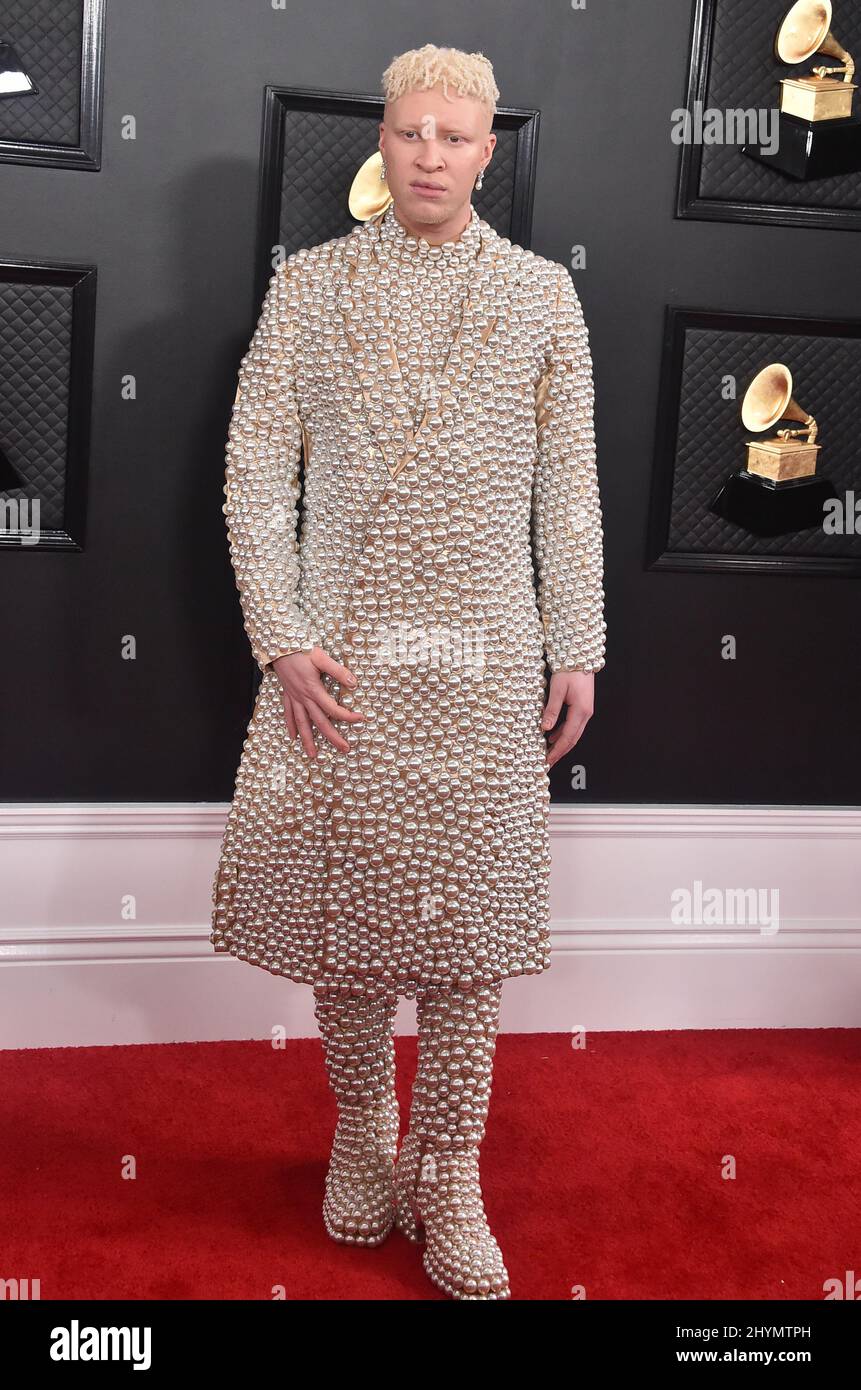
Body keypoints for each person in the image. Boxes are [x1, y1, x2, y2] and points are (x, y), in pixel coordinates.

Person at [211, 41, 606, 1300]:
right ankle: (362, 1132)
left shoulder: (546, 296)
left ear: (490, 151)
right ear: (380, 143)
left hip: (487, 665)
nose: (430, 154)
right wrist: (280, 632)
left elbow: (569, 493)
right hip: (346, 663)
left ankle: (450, 1174)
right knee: (354, 927)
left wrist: (579, 643)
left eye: (455, 136)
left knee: (468, 946)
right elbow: (254, 473)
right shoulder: (308, 289)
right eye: (409, 132)